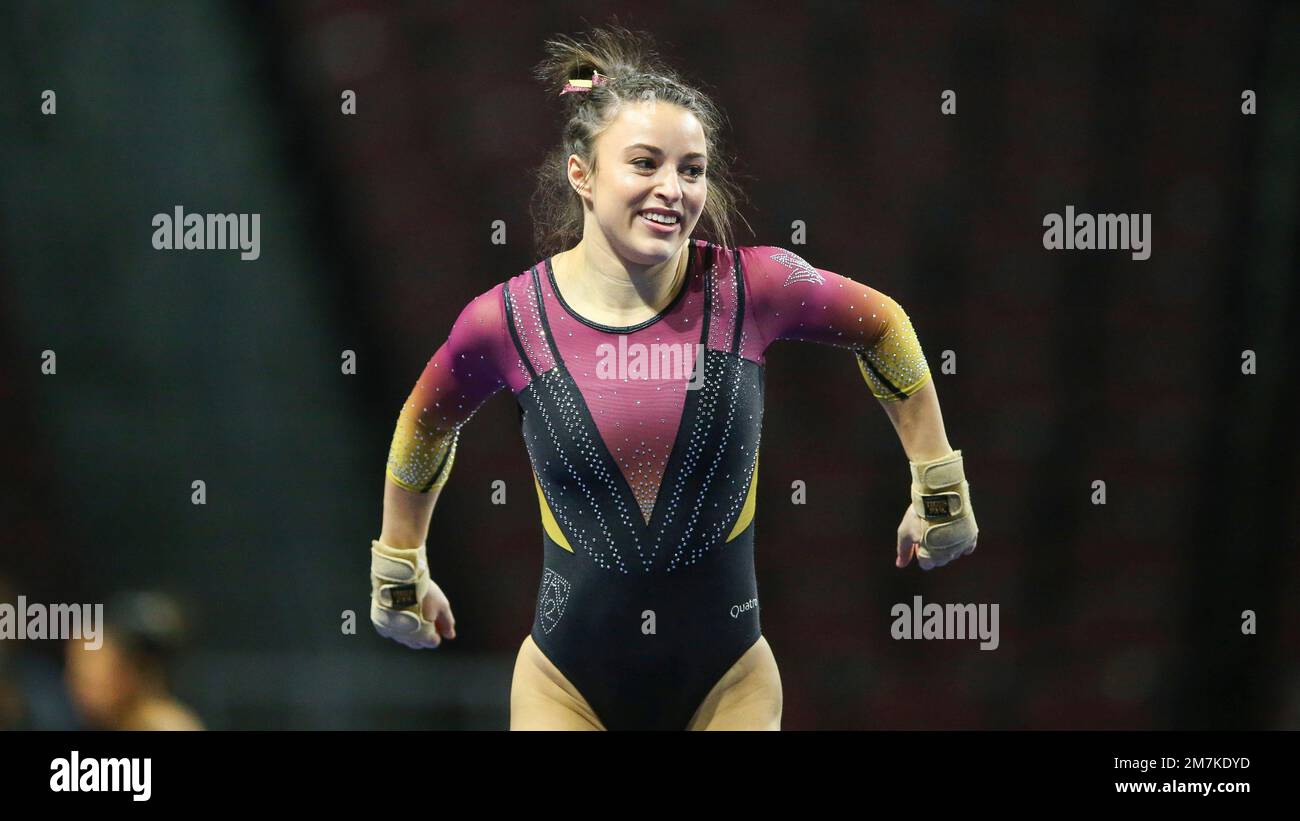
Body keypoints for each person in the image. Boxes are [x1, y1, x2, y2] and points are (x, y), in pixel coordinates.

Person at [370, 24, 978, 730]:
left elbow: (883, 326)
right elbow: (427, 418)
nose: (672, 189)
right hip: (566, 686)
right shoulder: (508, 321)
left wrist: (938, 480)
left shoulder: (754, 289)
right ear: (582, 174)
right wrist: (399, 560)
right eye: (645, 163)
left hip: (728, 681)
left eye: (691, 169)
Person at [64, 591, 203, 731]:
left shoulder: (165, 725)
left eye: (91, 680)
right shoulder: (98, 725)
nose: (79, 691)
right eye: (76, 675)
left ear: (129, 672)